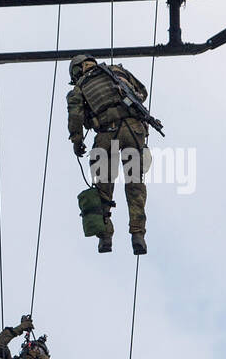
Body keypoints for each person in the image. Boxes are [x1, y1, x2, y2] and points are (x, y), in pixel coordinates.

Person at [67, 54, 162, 256]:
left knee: (103, 186)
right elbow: (142, 93)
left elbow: (75, 116)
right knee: (135, 184)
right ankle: (138, 234)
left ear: (77, 71)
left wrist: (77, 141)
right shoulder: (118, 72)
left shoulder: (79, 87)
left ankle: (105, 237)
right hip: (134, 130)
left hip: (106, 135)